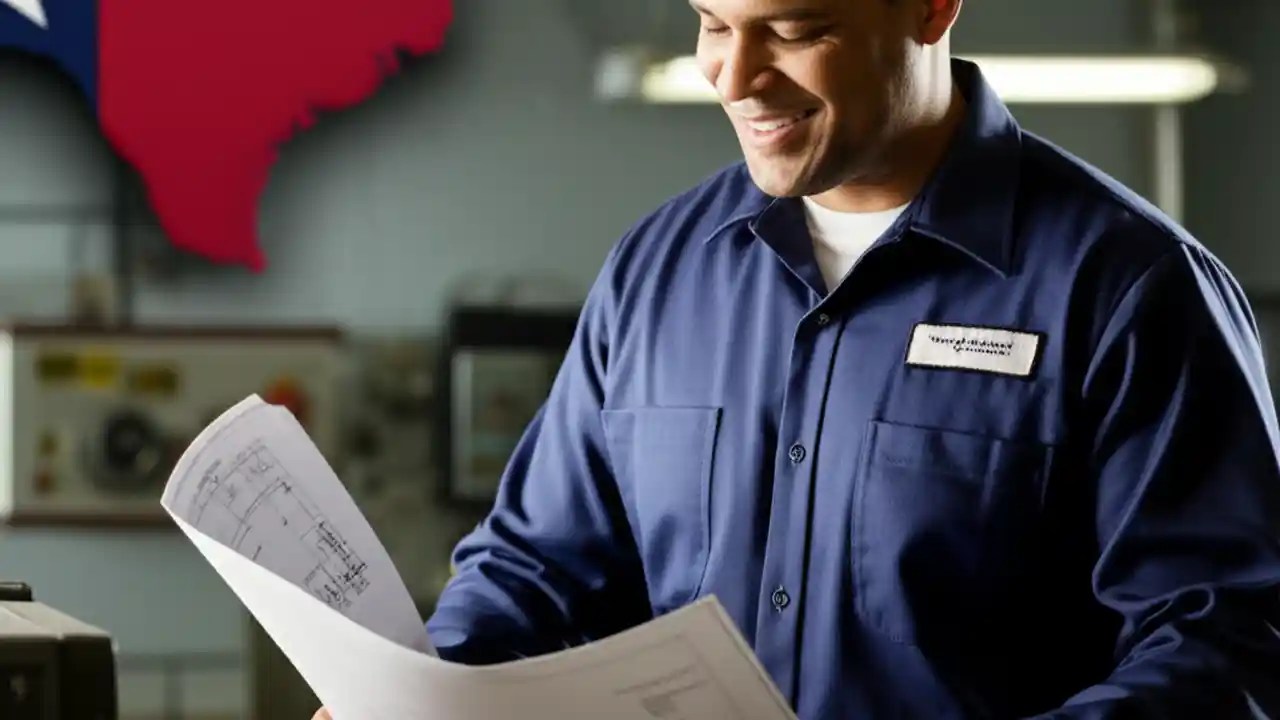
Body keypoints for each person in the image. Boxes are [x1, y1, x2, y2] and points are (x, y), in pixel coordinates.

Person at [317, 0, 1280, 717]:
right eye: (710, 23)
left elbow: (1222, 642)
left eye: (790, 28)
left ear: (930, 7)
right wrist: (417, 691)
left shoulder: (1128, 288)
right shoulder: (660, 272)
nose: (734, 77)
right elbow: (536, 565)